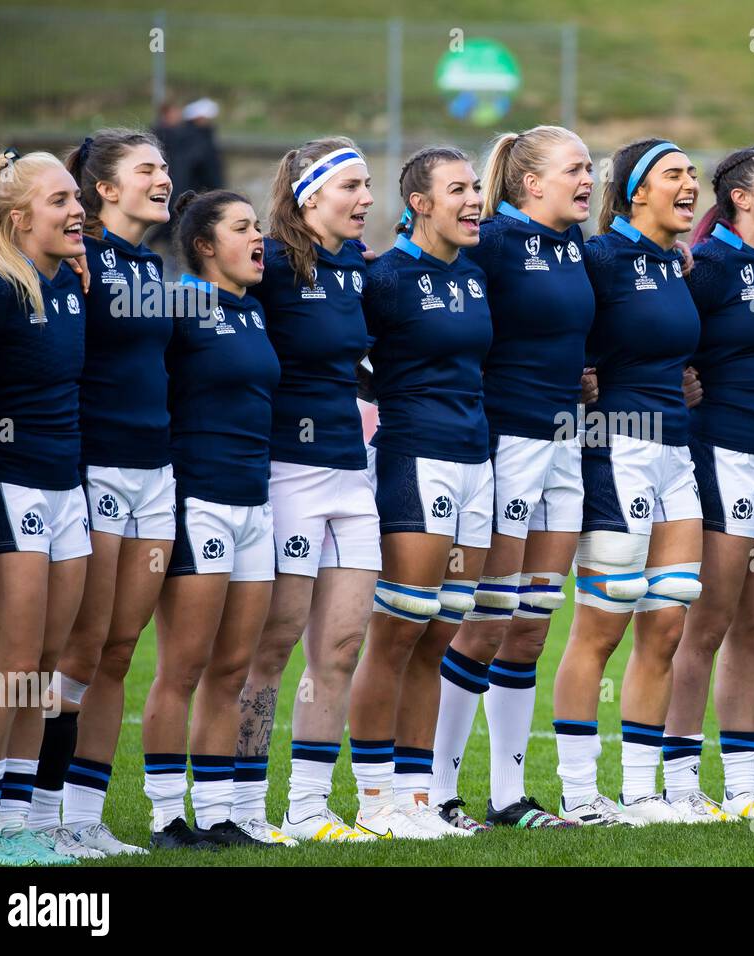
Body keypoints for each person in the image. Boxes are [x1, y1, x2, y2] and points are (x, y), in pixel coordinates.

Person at [429, 125, 594, 830]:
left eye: (591, 167)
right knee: (485, 622)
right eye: (576, 168)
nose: (590, 177)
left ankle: (508, 798)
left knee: (530, 627)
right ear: (531, 183)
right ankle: (435, 793)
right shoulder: (492, 241)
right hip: (508, 443)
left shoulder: (577, 246)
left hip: (565, 444)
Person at [227, 138, 381, 845]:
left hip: (353, 475)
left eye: (370, 184)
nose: (367, 199)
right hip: (288, 473)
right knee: (274, 644)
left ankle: (311, 807)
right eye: (353, 185)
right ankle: (243, 803)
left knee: (342, 644)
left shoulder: (355, 264)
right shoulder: (271, 265)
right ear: (310, 194)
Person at [31, 130, 175, 858]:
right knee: (79, 649)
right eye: (147, 168)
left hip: (157, 472)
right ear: (105, 189)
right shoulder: (77, 259)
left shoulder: (151, 263)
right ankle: (40, 815)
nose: (164, 177)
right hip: (97, 468)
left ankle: (85, 817)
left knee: (119, 650)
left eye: (165, 166)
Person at [551, 138, 703, 826]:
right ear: (637, 191)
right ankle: (581, 795)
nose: (690, 183)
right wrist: (580, 384)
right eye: (675, 173)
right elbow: (560, 337)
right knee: (601, 629)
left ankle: (642, 791)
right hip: (617, 450)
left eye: (693, 173)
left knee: (667, 624)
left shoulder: (675, 260)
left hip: (677, 450)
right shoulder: (600, 258)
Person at [349, 146, 494, 840]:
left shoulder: (473, 274)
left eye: (476, 188)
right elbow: (339, 355)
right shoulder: (386, 278)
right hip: (417, 461)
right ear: (420, 203)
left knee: (440, 634)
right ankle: (374, 798)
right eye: (458, 189)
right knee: (398, 631)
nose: (474, 201)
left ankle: (416, 801)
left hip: (476, 466)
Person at [659, 145, 754, 823]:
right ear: (742, 197)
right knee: (709, 625)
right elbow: (656, 338)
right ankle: (681, 781)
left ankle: (747, 784)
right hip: (725, 456)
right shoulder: (709, 264)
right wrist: (676, 382)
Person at [141, 189, 283, 849]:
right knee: (184, 668)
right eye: (242, 228)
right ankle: (167, 816)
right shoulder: (174, 304)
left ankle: (221, 814)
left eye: (259, 226)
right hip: (199, 503)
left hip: (256, 505)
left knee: (234, 668)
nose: (259, 238)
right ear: (204, 245)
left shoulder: (253, 312)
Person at [0, 150, 90, 865]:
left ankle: (18, 824)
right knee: (9, 662)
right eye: (59, 201)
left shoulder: (71, 279)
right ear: (18, 220)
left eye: (77, 196)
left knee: (47, 665)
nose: (77, 211)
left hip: (66, 485)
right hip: (9, 485)